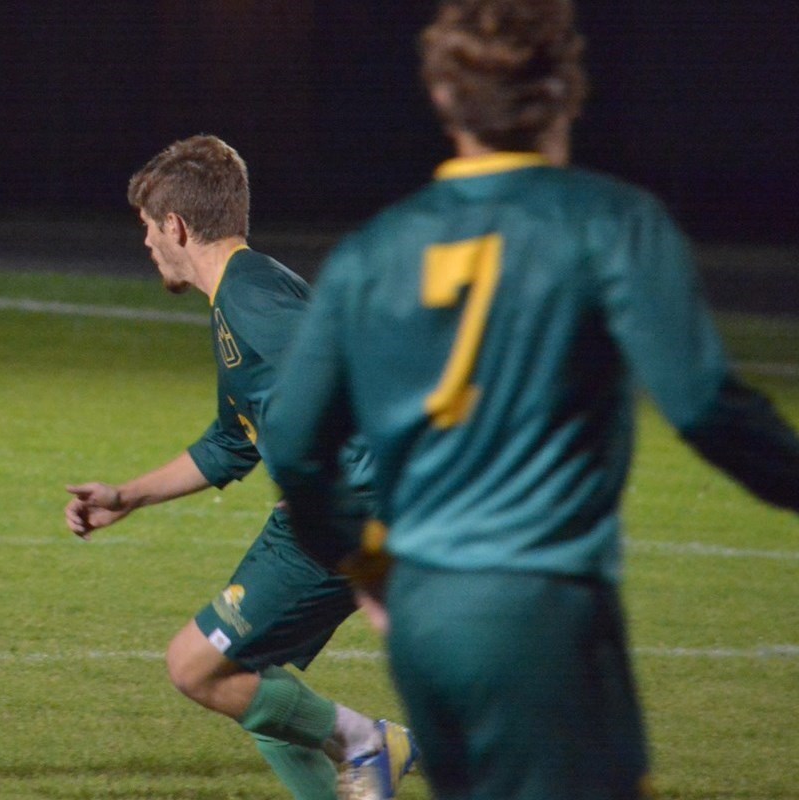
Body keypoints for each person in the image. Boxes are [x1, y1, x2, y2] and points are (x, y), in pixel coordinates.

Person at [260, 1, 799, 798]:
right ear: (567, 93)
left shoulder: (373, 250)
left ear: (443, 100)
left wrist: (370, 566)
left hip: (426, 621)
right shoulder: (611, 223)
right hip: (543, 612)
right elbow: (703, 407)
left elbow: (296, 444)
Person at [62, 135, 415, 800]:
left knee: (195, 666)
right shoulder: (245, 293)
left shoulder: (254, 301)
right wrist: (127, 496)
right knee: (252, 685)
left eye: (147, 229)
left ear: (176, 226)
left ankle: (371, 742)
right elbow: (231, 442)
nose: (145, 245)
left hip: (336, 519)